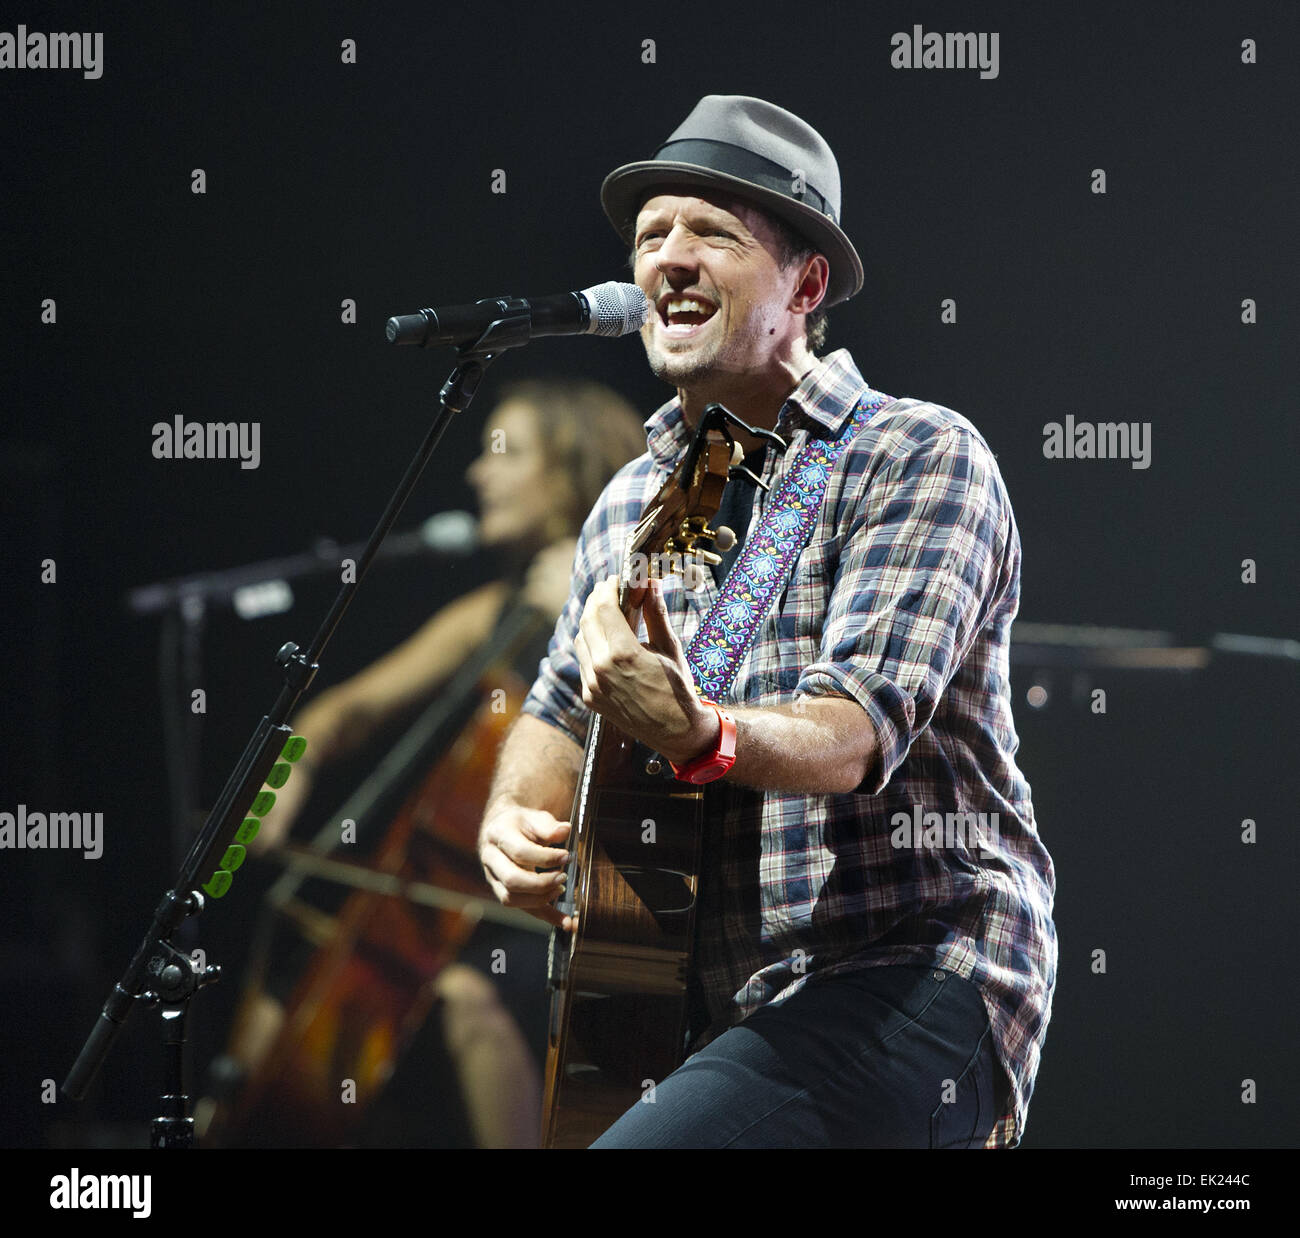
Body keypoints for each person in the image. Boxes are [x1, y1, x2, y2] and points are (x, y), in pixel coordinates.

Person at [476, 95, 1058, 1148]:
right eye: (651, 236)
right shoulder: (628, 503)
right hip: (695, 1009)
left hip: (908, 970)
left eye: (712, 232)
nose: (669, 258)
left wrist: (702, 731)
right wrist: (512, 813)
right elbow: (559, 710)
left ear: (806, 283)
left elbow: (852, 733)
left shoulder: (916, 455)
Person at [218, 379, 646, 1148]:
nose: (479, 474)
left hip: (575, 906)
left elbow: (659, 753)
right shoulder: (489, 612)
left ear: (572, 468)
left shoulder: (638, 599)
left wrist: (579, 613)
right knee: (295, 968)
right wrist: (285, 786)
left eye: (502, 451)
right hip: (466, 906)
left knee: (469, 995)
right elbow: (336, 714)